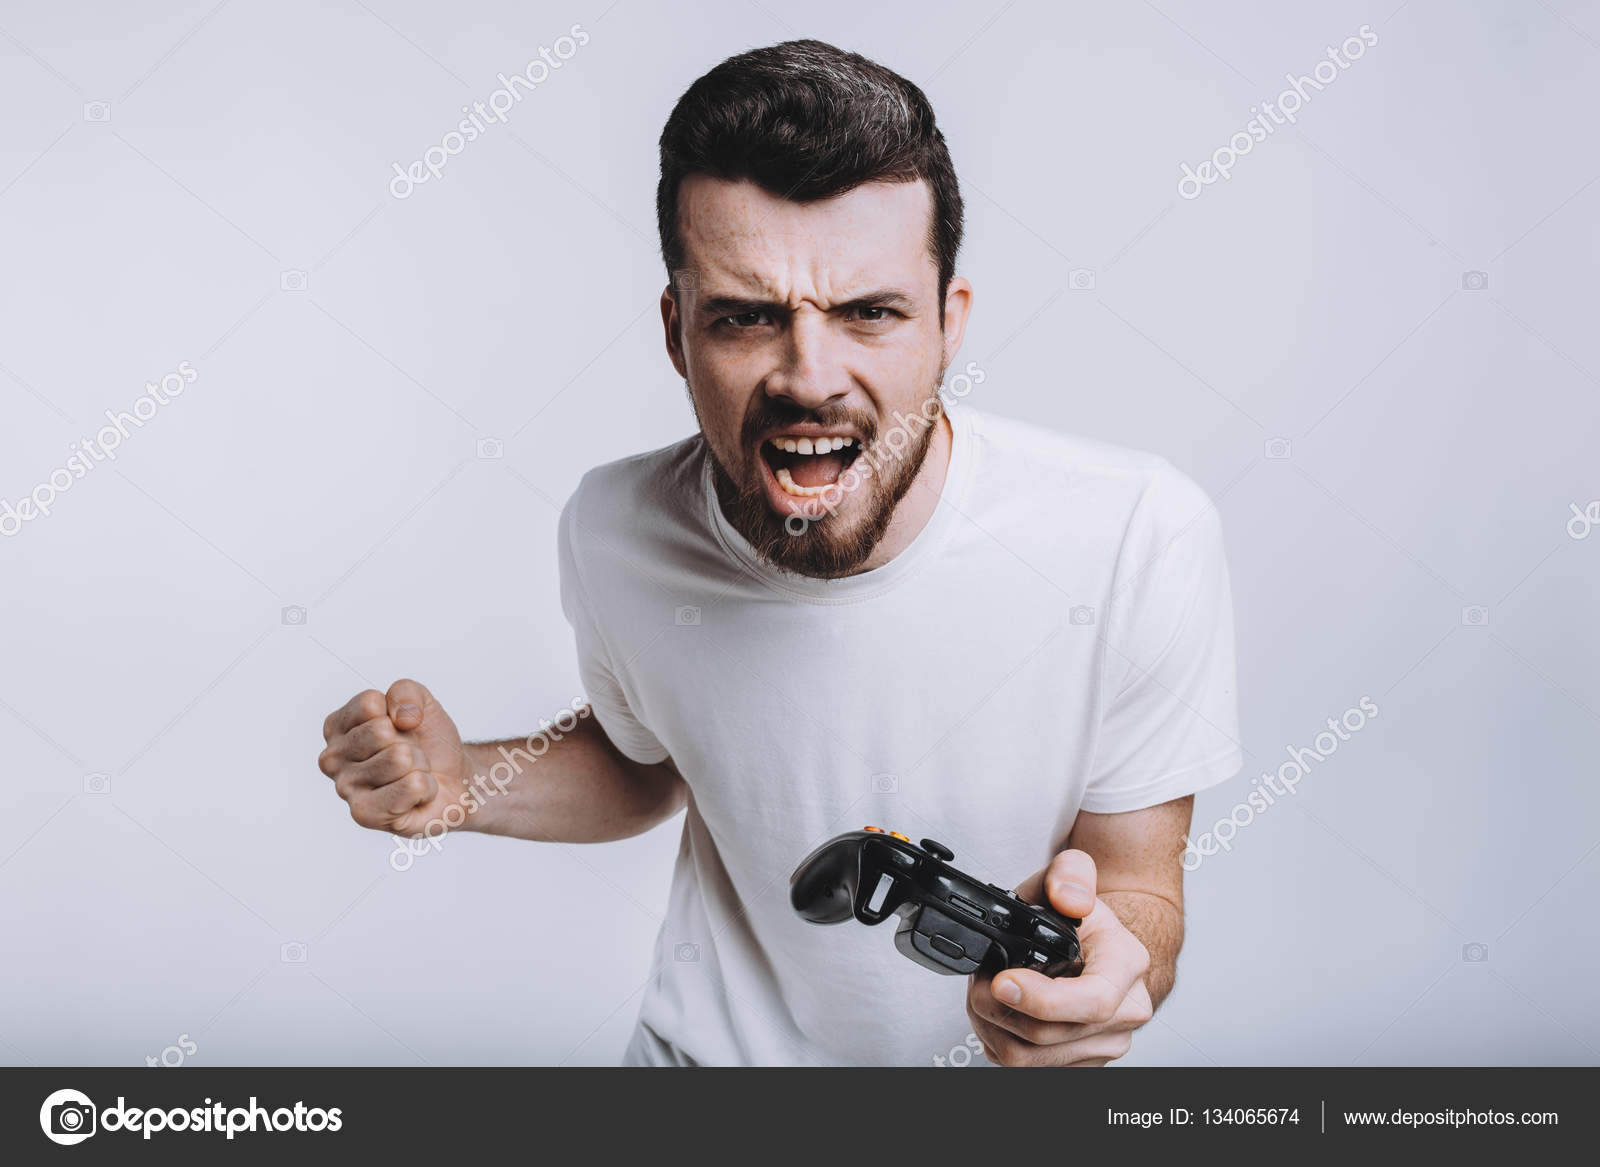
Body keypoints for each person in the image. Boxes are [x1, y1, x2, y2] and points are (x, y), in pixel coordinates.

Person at [317, 39, 1241, 1066]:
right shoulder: (615, 527)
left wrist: (1109, 977)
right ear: (677, 332)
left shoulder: (1135, 534)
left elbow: (1140, 886)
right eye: (747, 317)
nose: (809, 378)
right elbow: (648, 761)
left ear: (949, 325)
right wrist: (464, 784)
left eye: (869, 314)